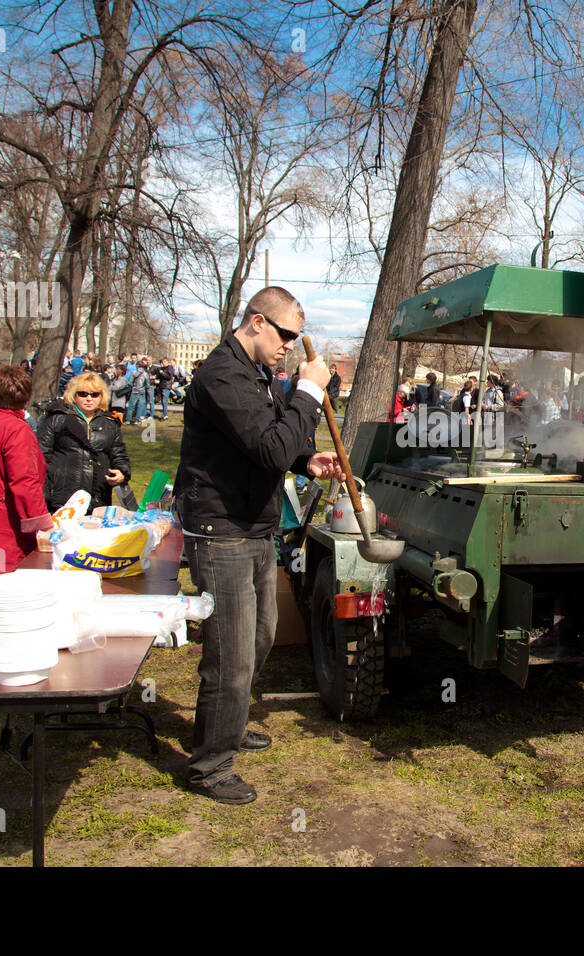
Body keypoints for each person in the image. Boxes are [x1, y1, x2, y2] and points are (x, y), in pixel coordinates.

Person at [175, 286, 344, 805]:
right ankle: (210, 764)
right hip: (220, 529)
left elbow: (271, 446)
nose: (291, 346)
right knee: (229, 652)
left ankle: (231, 722)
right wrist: (310, 394)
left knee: (261, 634)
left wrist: (305, 461)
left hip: (254, 525)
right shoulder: (221, 374)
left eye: (296, 337)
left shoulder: (257, 377)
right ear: (255, 322)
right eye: (285, 334)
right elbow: (270, 445)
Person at [0, 366, 56, 578]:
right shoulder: (16, 429)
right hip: (1, 517)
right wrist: (41, 522)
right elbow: (24, 480)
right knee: (4, 578)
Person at [36, 372, 131, 513]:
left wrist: (122, 473)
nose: (89, 399)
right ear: (74, 395)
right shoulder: (57, 418)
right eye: (83, 394)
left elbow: (119, 454)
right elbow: (40, 456)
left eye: (94, 394)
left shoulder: (109, 423)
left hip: (98, 499)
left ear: (102, 396)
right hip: (63, 498)